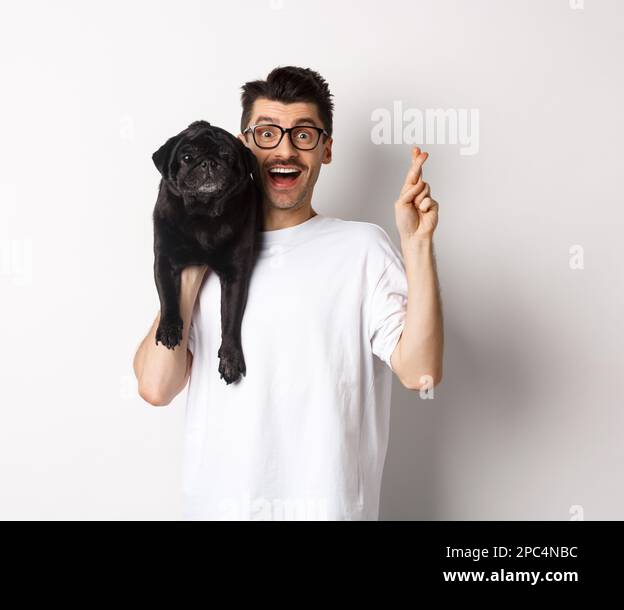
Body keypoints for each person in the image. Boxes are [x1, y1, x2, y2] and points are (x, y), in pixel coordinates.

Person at [131, 66, 444, 520]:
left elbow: (421, 373)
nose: (284, 149)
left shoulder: (361, 249)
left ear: (326, 149)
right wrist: (192, 261)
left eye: (303, 135)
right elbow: (156, 387)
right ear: (243, 146)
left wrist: (416, 247)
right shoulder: (203, 258)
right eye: (267, 133)